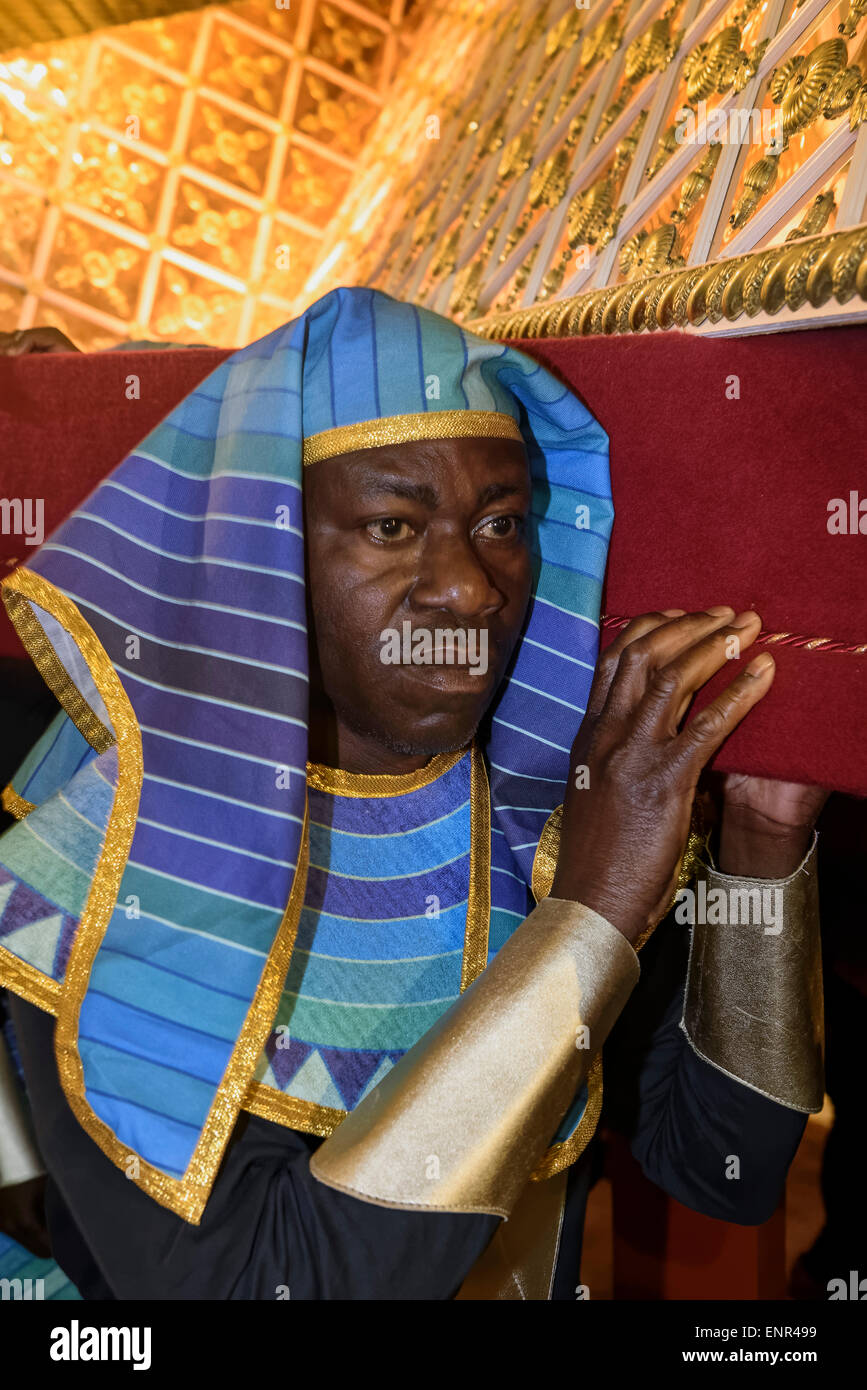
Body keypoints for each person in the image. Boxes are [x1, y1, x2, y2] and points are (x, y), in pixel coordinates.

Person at [0, 288, 825, 1299]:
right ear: (267, 554)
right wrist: (594, 916)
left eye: (503, 522)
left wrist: (762, 833)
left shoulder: (544, 820)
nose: (472, 586)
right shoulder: (94, 878)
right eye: (392, 526)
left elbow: (720, 1167)